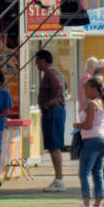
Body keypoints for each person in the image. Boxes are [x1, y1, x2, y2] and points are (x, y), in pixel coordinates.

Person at [74, 76, 104, 207]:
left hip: (92, 139)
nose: (84, 91)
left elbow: (89, 125)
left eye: (86, 88)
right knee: (98, 172)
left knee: (84, 172)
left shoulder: (92, 104)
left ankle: (86, 204)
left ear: (94, 89)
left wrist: (77, 125)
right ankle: (98, 204)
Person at [37, 49, 67, 192]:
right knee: (52, 146)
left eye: (37, 60)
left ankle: (59, 179)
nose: (36, 63)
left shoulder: (49, 72)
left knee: (54, 146)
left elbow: (60, 86)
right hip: (55, 111)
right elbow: (64, 85)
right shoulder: (56, 71)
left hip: (53, 111)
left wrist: (49, 102)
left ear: (43, 60)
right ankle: (58, 178)